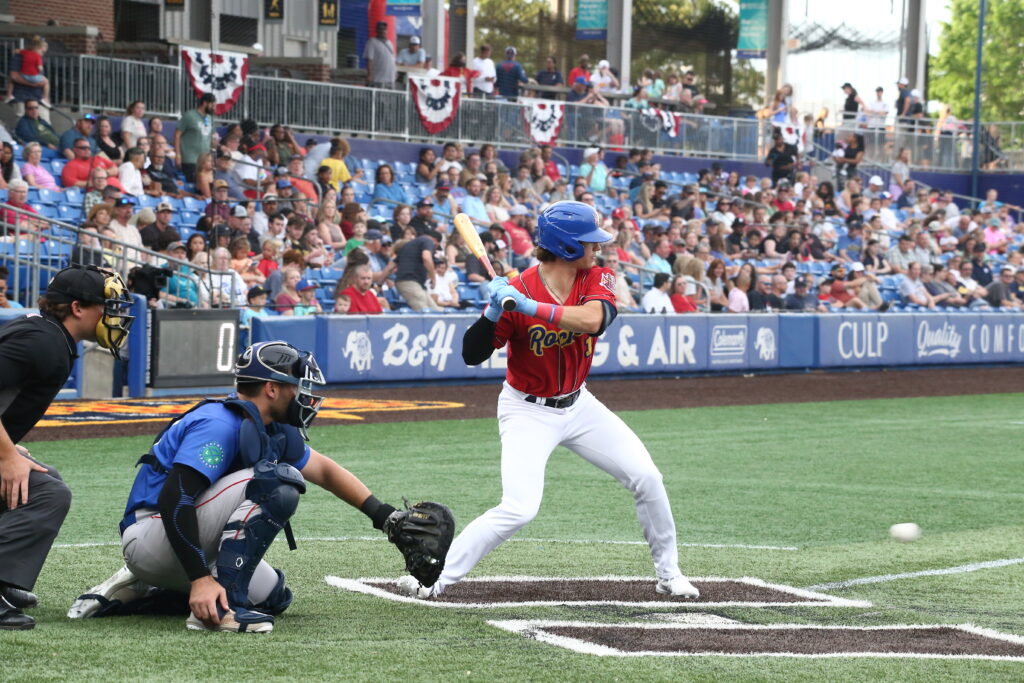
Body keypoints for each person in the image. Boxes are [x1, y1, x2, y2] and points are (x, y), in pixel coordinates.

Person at [396, 200, 699, 601]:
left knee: (647, 478)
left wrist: (530, 307)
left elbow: (595, 320)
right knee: (520, 507)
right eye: (590, 243)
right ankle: (434, 579)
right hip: (526, 410)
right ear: (568, 247)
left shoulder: (595, 277)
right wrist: (491, 314)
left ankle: (669, 573)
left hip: (580, 404)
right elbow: (472, 353)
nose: (598, 249)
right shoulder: (516, 291)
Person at [67, 340, 442, 632]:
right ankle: (217, 603)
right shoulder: (219, 423)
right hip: (153, 534)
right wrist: (200, 578)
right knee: (278, 481)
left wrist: (385, 516)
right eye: (297, 385)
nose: (306, 395)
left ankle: (138, 592)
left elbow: (324, 470)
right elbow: (174, 498)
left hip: (184, 540)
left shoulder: (271, 426)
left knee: (275, 596)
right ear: (271, 388)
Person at [0, 265, 134, 630]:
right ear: (77, 308)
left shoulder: (47, 336)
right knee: (48, 493)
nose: (114, 316)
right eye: (106, 306)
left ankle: (5, 581)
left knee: (41, 478)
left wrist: (10, 448)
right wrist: (6, 454)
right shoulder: (43, 342)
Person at [175, 94, 215, 183]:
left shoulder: (210, 118)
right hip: (190, 159)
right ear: (205, 103)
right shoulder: (189, 116)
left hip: (205, 160)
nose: (214, 108)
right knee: (195, 184)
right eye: (212, 105)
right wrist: (178, 155)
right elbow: (177, 135)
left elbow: (212, 137)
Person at [364, 21, 397, 89]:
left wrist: (395, 71)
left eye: (384, 29)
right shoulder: (372, 42)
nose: (382, 31)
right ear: (377, 30)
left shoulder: (389, 43)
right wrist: (369, 75)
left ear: (386, 30)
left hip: (390, 80)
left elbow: (392, 59)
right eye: (380, 28)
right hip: (378, 80)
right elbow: (369, 60)